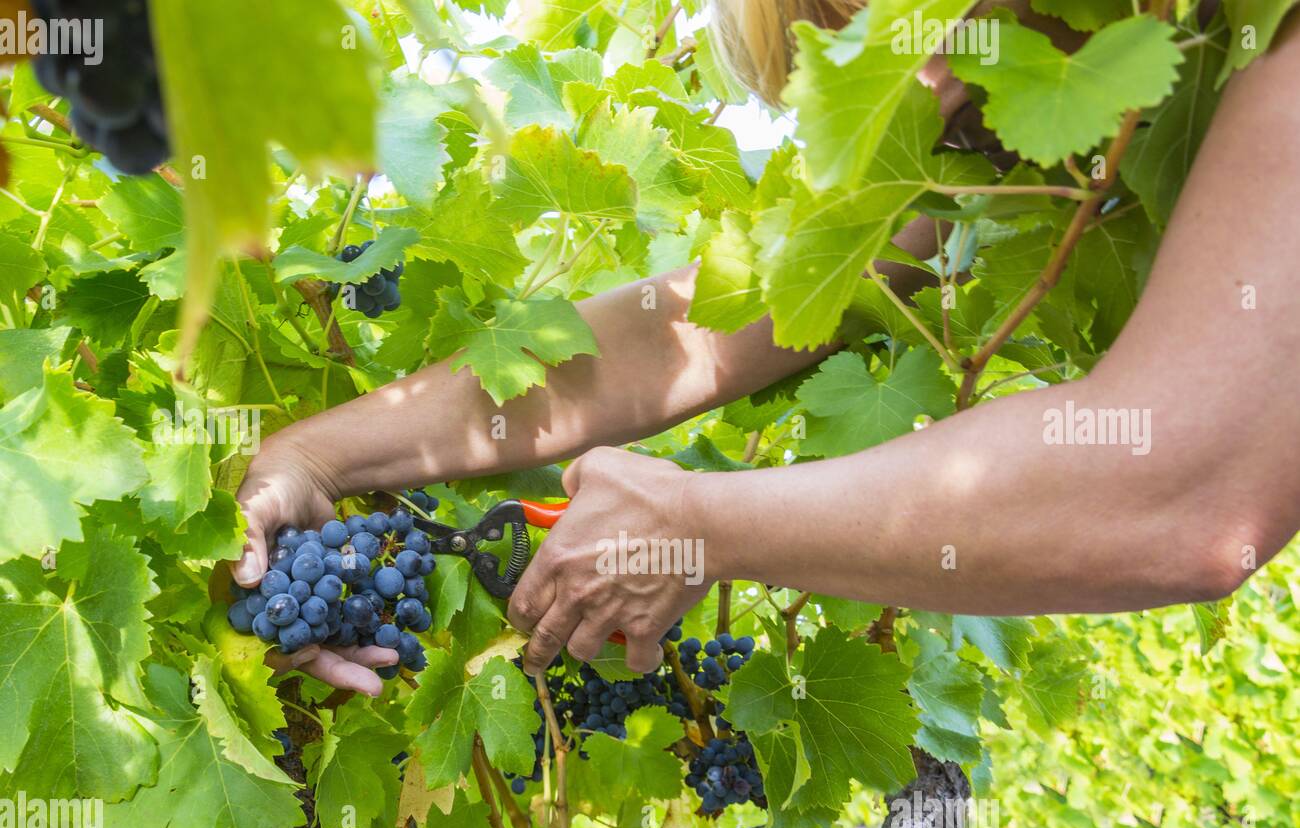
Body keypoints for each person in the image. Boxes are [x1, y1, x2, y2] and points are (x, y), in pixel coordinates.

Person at [233, 0, 1300, 696]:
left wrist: (702, 522)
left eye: (926, 18)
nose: (926, 90)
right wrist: (315, 456)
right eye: (863, 57)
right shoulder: (1021, 158)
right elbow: (689, 337)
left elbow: (1177, 492)